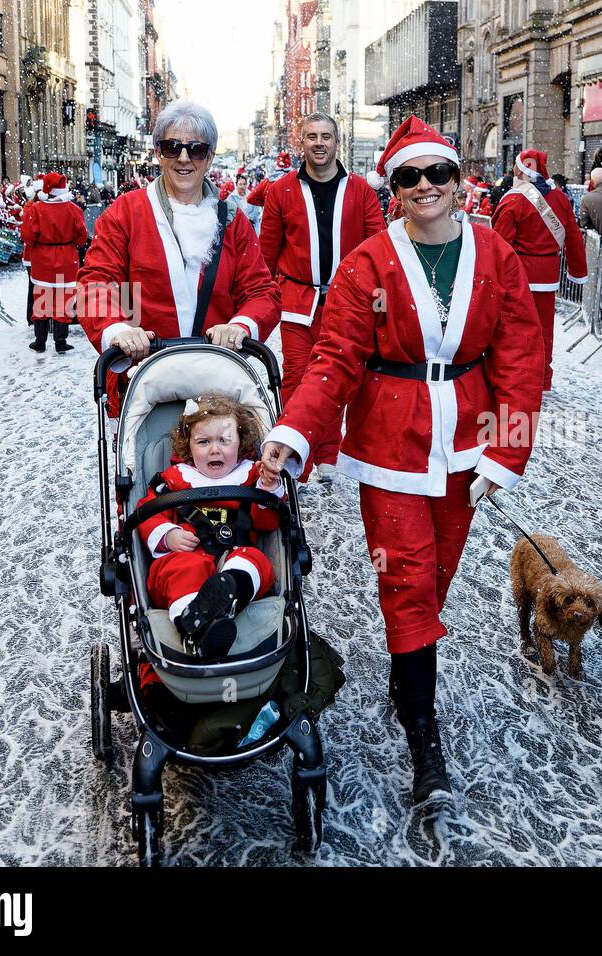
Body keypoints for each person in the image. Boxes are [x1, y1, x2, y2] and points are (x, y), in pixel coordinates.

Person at [258, 116, 545, 804]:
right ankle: (425, 730)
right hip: (389, 444)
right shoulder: (367, 264)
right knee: (408, 580)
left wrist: (507, 450)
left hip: (466, 442)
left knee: (437, 575)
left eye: (436, 174)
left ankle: (404, 667)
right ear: (394, 188)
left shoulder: (495, 256)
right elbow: (333, 361)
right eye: (408, 177)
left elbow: (520, 357)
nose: (425, 187)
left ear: (459, 181)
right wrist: (293, 434)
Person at [75, 99, 280, 414]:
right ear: (158, 153)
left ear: (210, 157)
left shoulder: (231, 218)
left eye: (196, 149)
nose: (184, 158)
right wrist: (118, 330)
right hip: (145, 378)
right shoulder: (127, 212)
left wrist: (240, 325)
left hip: (218, 381)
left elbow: (262, 291)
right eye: (172, 147)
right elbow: (96, 283)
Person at [259, 112, 386, 481]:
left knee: (338, 377)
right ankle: (301, 457)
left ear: (336, 142)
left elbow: (377, 248)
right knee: (298, 378)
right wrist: (262, 299)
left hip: (348, 303)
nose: (319, 142)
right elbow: (266, 253)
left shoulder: (361, 190)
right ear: (302, 142)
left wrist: (379, 298)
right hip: (297, 301)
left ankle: (329, 453)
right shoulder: (281, 191)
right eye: (311, 136)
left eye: (326, 136)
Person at [137, 394, 283, 659]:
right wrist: (168, 535)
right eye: (203, 442)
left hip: (234, 554)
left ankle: (228, 595)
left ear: (241, 443)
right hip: (186, 556)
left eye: (224, 441)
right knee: (182, 568)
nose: (214, 450)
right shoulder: (173, 480)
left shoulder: (252, 475)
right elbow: (147, 514)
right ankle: (193, 620)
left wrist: (269, 488)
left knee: (256, 560)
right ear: (187, 447)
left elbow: (268, 521)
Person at [491, 147, 588, 391]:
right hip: (548, 275)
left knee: (514, 328)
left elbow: (501, 245)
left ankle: (517, 376)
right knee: (544, 330)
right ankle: (542, 377)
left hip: (518, 275)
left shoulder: (514, 200)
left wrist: (493, 274)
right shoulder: (560, 199)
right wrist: (577, 271)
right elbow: (574, 238)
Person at [20, 172, 88, 354]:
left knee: (41, 300)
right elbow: (82, 237)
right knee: (63, 301)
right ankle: (60, 341)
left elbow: (27, 236)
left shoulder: (36, 209)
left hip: (42, 259)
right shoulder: (73, 209)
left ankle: (40, 341)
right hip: (67, 258)